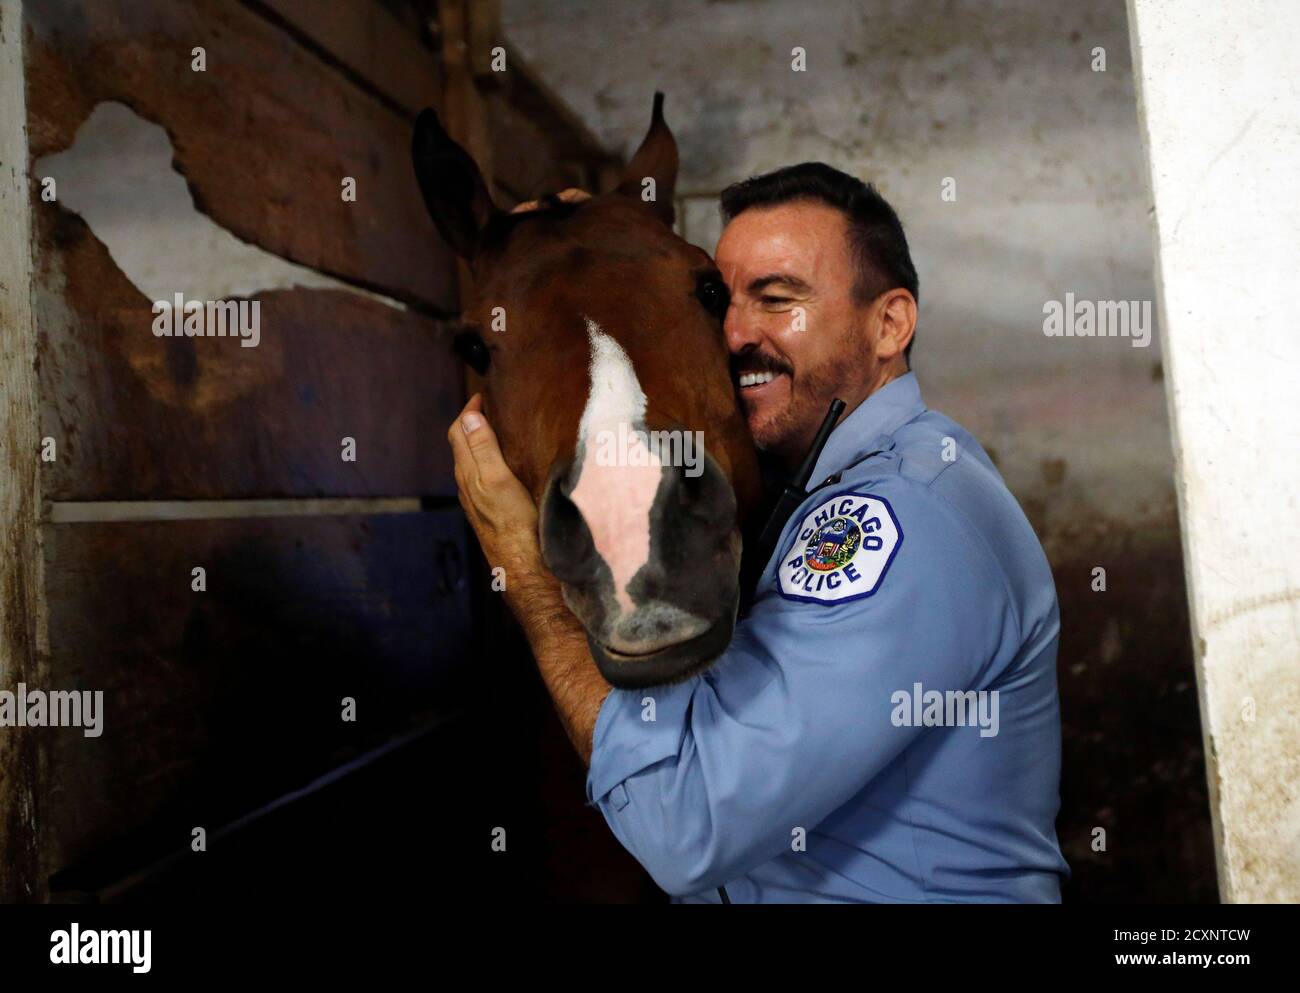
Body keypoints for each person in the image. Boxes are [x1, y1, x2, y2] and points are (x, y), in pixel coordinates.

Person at [448, 164, 1070, 902]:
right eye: (720, 298)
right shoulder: (805, 486)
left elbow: (686, 823)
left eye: (778, 299)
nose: (736, 334)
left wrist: (529, 581)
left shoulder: (900, 515)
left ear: (889, 324)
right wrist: (587, 238)